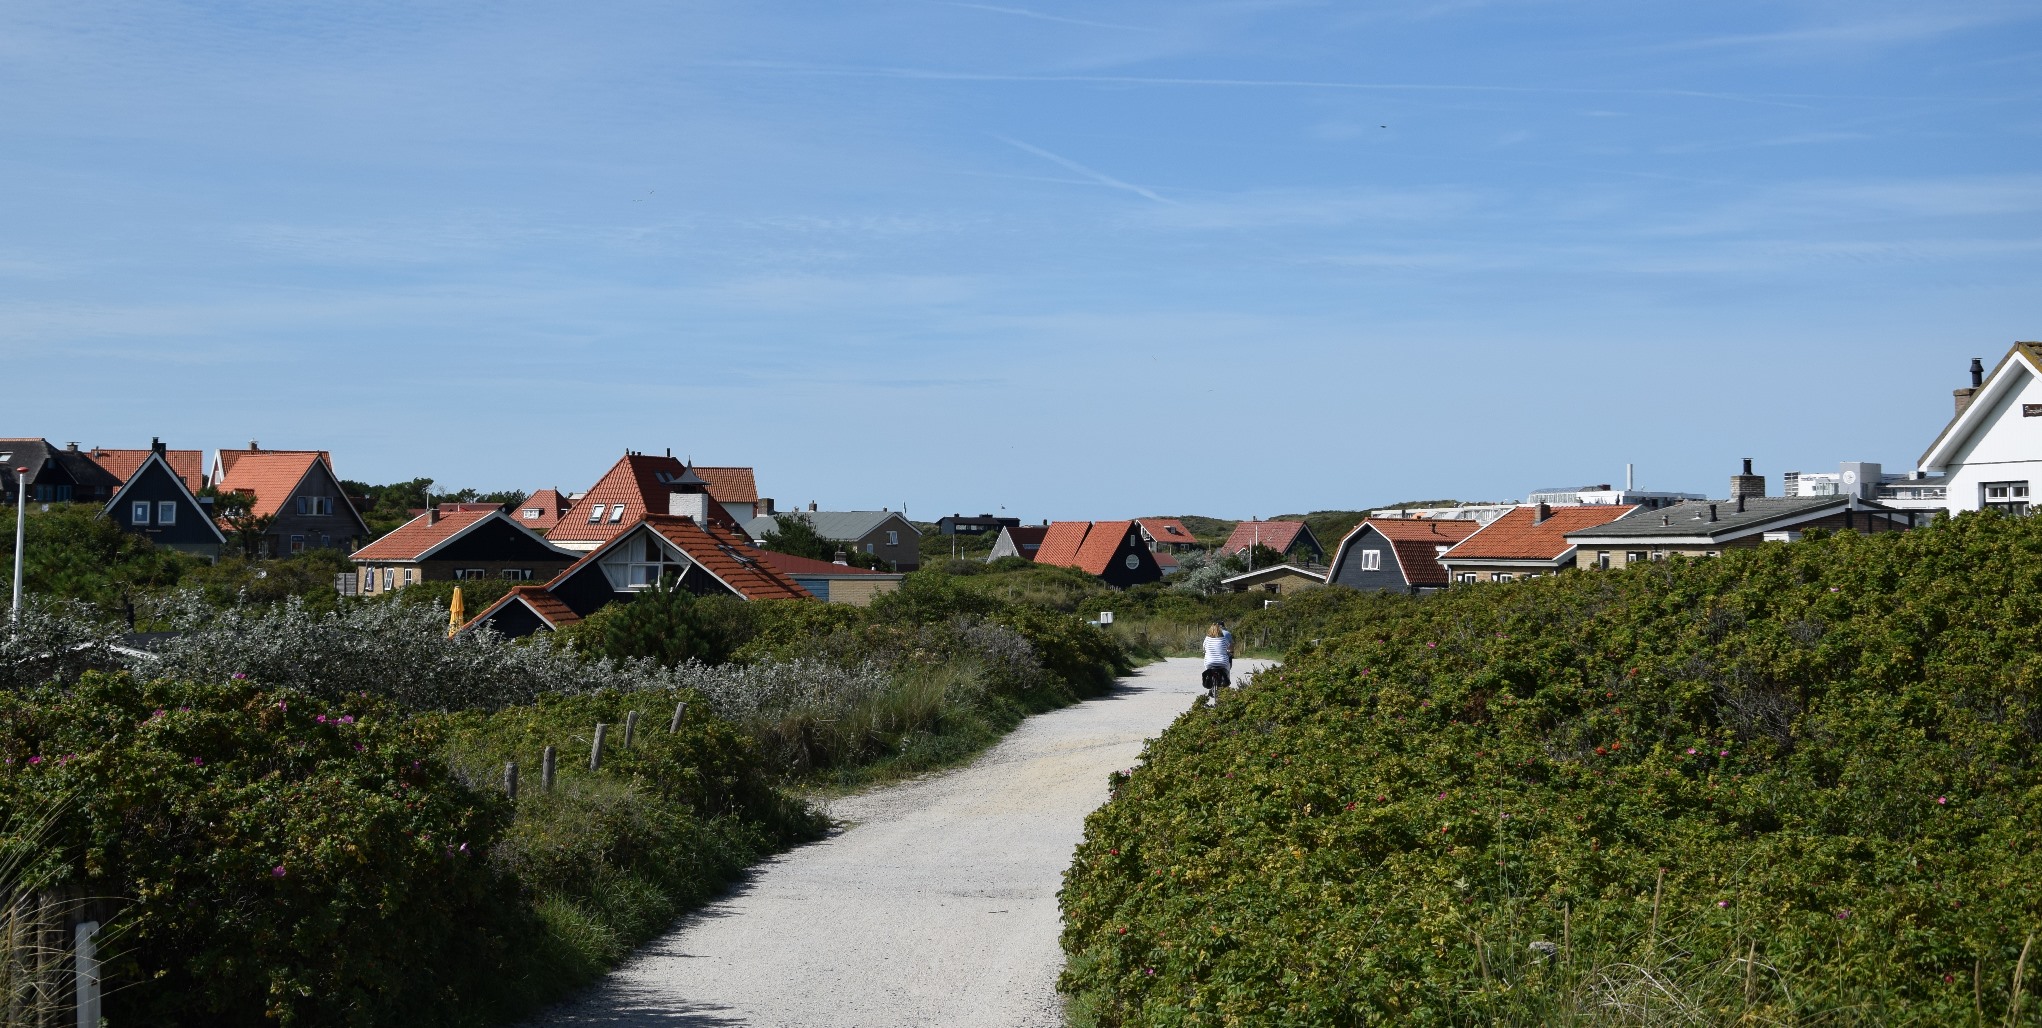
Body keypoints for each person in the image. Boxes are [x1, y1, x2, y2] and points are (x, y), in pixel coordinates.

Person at [1201, 623, 1232, 697]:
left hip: (1209, 662)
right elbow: (1230, 647)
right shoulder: (1223, 639)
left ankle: (1210, 682)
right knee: (1227, 670)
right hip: (1222, 662)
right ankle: (1226, 683)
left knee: (1207, 665)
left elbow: (1204, 649)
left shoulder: (1207, 639)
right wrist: (1230, 652)